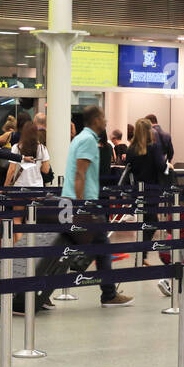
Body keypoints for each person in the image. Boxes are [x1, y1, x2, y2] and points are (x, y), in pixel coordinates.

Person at [62, 106, 132, 307]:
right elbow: (80, 174)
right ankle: (109, 294)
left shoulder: (81, 139)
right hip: (84, 202)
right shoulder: (87, 141)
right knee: (102, 247)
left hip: (74, 200)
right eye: (103, 117)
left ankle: (108, 292)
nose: (106, 121)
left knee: (76, 248)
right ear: (95, 120)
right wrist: (83, 205)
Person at [124, 117, 167, 187]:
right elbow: (162, 167)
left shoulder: (130, 149)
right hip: (153, 189)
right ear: (150, 131)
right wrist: (168, 165)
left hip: (135, 188)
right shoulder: (155, 147)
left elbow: (128, 168)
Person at [5, 121, 49, 188]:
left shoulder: (16, 148)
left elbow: (12, 170)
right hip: (37, 188)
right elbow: (45, 170)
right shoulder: (42, 148)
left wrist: (5, 187)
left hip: (20, 187)